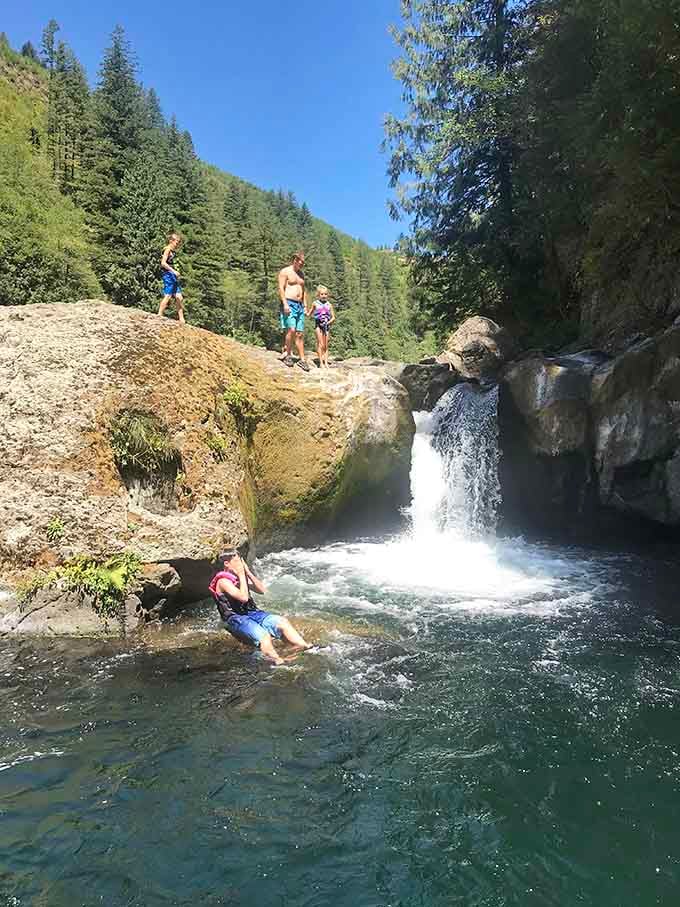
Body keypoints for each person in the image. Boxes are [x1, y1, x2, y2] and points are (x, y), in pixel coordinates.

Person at [209, 550, 313, 665]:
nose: (240, 564)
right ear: (227, 564)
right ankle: (278, 661)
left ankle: (303, 646)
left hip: (252, 613)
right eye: (237, 561)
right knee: (264, 636)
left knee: (282, 622)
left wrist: (247, 572)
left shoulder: (239, 579)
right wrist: (241, 574)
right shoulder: (223, 581)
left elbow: (262, 590)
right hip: (235, 618)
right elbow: (243, 598)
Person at [278, 251, 310, 371]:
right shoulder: (285, 271)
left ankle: (302, 359)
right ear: (295, 260)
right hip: (289, 303)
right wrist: (285, 303)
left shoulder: (301, 274)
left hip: (299, 305)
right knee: (291, 329)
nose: (302, 265)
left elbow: (304, 290)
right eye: (300, 262)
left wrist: (305, 305)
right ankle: (288, 354)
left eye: (303, 263)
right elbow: (281, 288)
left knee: (299, 333)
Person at [159, 232, 186, 324]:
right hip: (168, 275)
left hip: (173, 276)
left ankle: (181, 319)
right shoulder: (167, 250)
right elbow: (163, 263)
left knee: (179, 297)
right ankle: (159, 315)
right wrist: (173, 271)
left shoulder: (173, 251)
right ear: (171, 241)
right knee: (168, 295)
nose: (178, 244)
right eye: (176, 242)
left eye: (179, 242)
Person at [308, 285, 336, 369]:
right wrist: (305, 312)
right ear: (318, 295)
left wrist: (328, 322)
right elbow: (310, 313)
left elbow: (333, 317)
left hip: (326, 325)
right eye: (322, 294)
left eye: (325, 294)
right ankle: (321, 363)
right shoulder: (315, 303)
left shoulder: (329, 305)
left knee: (326, 345)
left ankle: (326, 362)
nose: (324, 296)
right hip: (318, 325)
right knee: (320, 344)